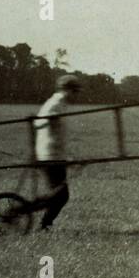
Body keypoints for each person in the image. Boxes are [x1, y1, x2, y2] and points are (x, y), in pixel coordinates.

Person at [30, 74, 82, 229]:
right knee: (60, 195)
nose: (76, 96)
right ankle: (28, 215)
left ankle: (44, 223)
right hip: (49, 155)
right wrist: (50, 119)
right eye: (75, 91)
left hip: (54, 154)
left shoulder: (60, 103)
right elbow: (39, 123)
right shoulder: (55, 103)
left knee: (60, 195)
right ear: (67, 90)